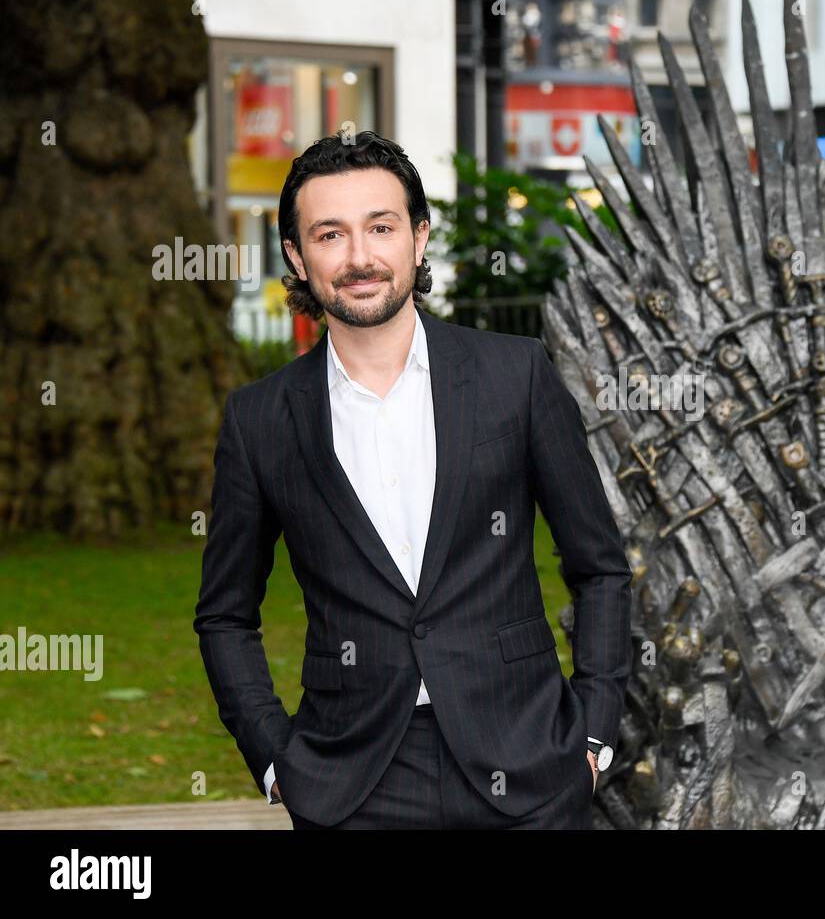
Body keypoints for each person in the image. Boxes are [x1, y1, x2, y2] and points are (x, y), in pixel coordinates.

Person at [193, 131, 632, 829]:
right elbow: (224, 614)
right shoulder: (260, 420)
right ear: (297, 258)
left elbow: (600, 566)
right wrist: (277, 760)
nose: (360, 257)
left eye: (381, 227)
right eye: (330, 234)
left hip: (529, 766)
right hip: (354, 783)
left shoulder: (514, 377)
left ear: (419, 239)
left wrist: (594, 732)